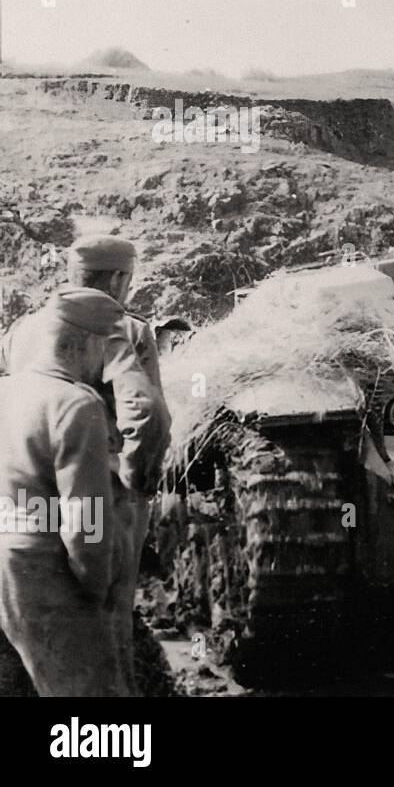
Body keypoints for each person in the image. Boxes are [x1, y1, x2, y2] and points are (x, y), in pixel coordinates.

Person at [0, 234, 170, 695]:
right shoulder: (116, 329)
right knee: (101, 627)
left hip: (21, 508)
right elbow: (147, 413)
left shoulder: (21, 329)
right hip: (92, 496)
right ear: (118, 278)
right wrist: (137, 481)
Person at [0, 288, 126, 695]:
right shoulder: (75, 405)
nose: (103, 366)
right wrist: (96, 587)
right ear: (83, 343)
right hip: (46, 572)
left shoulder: (6, 392)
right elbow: (86, 521)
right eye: (104, 350)